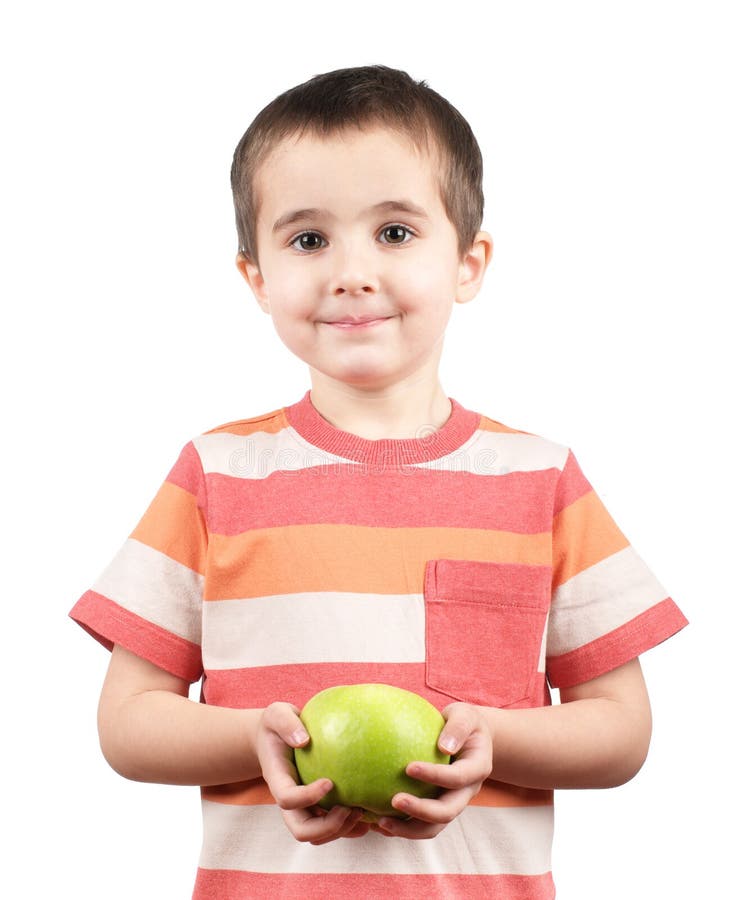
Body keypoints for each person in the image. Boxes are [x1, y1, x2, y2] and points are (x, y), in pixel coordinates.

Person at [69, 65, 688, 899]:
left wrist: (492, 740)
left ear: (468, 263)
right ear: (257, 278)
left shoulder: (539, 479)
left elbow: (621, 734)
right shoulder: (215, 475)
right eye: (307, 239)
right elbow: (125, 724)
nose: (350, 271)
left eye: (394, 233)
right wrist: (256, 736)